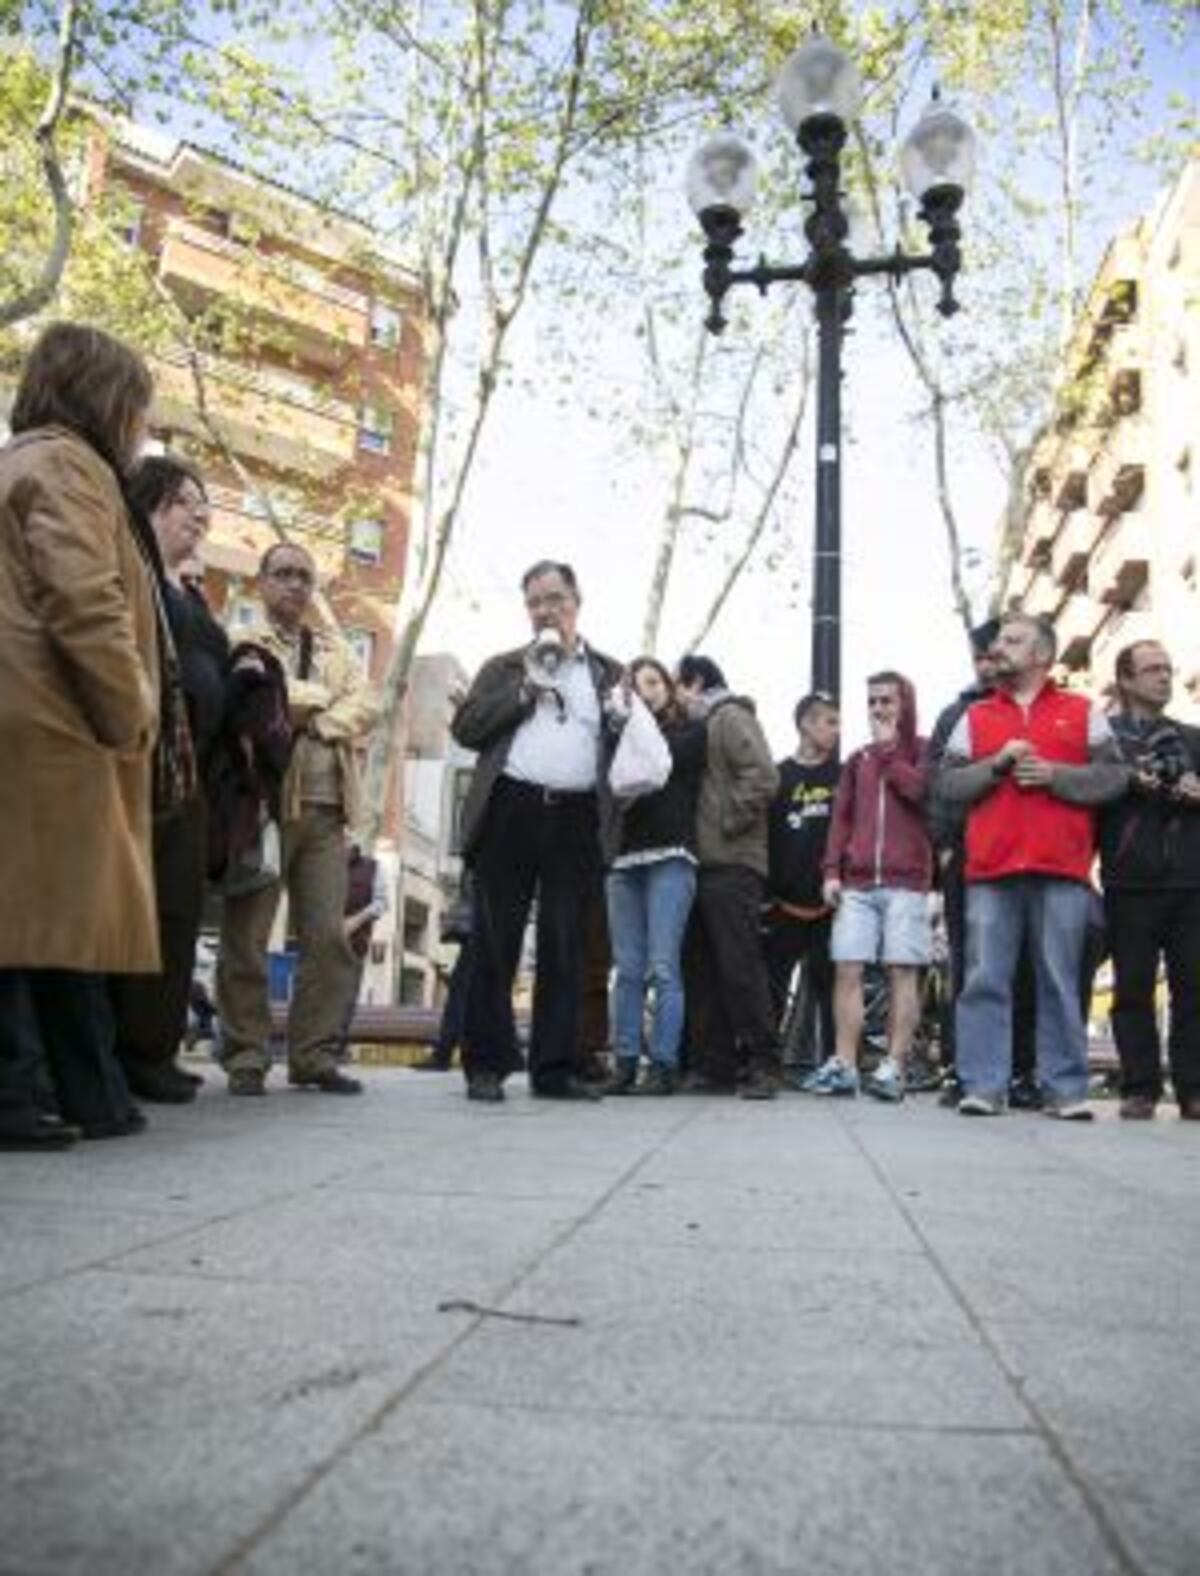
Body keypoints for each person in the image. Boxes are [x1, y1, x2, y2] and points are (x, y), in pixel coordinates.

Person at [0, 323, 161, 1149]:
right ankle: (16, 1096)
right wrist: (128, 705)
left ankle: (70, 1093)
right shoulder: (65, 464)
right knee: (33, 917)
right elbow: (82, 597)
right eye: (138, 410)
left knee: (39, 919)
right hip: (52, 718)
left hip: (35, 713)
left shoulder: (32, 459)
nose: (144, 429)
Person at [939, 613, 1129, 1119]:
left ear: (1043, 655)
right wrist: (995, 765)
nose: (999, 647)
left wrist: (1054, 776)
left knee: (1060, 980)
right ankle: (982, 1086)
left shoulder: (1083, 711)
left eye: (1013, 640)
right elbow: (948, 786)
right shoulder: (975, 718)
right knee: (984, 979)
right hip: (991, 869)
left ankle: (1065, 1091)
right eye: (999, 640)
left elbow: (1114, 778)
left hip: (1062, 868)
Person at [451, 560, 622, 1103]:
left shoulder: (607, 673)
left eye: (554, 598)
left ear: (577, 600)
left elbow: (629, 753)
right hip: (510, 808)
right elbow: (468, 728)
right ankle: (485, 1064)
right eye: (535, 602)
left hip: (577, 817)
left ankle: (554, 1068)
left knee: (566, 943)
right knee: (494, 940)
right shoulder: (504, 666)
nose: (545, 610)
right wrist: (524, 692)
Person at [216, 541, 380, 1096]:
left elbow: (367, 704)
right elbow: (267, 695)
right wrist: (316, 703)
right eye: (283, 574)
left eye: (304, 578)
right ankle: (246, 1056)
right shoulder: (242, 639)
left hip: (327, 812)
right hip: (262, 807)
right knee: (247, 936)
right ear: (261, 582)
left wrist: (320, 721)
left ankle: (313, 1056)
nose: (295, 585)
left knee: (328, 939)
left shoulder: (336, 649)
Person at [110, 457, 230, 1104]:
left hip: (189, 774)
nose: (202, 515)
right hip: (139, 765)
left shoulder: (183, 591)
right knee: (139, 911)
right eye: (189, 501)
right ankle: (125, 1052)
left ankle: (152, 1048)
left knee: (178, 914)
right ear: (154, 503)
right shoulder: (131, 571)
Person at [804, 671, 932, 1102]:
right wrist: (830, 871)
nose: (878, 709)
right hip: (857, 882)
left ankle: (893, 1065)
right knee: (847, 967)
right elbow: (840, 820)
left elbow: (919, 794)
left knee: (902, 970)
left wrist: (888, 756)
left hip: (907, 881)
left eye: (886, 701)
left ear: (905, 703)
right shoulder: (856, 761)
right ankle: (844, 1064)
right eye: (872, 702)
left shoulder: (923, 750)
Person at [1099, 640, 1200, 1120]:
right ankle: (1139, 1087)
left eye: (1168, 667)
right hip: (1129, 883)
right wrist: (1128, 779)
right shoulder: (1105, 740)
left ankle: (1193, 1090)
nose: (1164, 676)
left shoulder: (1193, 738)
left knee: (1193, 990)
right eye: (1152, 669)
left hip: (1190, 882)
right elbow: (1089, 796)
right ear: (1126, 679)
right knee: (1133, 989)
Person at [675, 654, 781, 1099]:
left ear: (696, 681)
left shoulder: (730, 716)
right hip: (701, 864)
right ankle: (713, 1066)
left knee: (739, 966)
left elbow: (763, 776)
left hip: (732, 862)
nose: (675, 698)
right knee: (701, 969)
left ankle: (764, 1062)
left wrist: (724, 826)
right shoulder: (700, 727)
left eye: (678, 686)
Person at [603, 658, 707, 1096]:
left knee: (663, 967)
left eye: (653, 682)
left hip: (671, 857)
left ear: (668, 688)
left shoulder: (689, 734)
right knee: (627, 970)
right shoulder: (616, 737)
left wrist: (636, 719)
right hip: (625, 862)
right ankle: (624, 1062)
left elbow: (661, 767)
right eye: (635, 684)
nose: (644, 690)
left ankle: (663, 1065)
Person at [765, 691, 840, 1074]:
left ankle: (834, 1063)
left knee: (832, 988)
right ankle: (765, 1063)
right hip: (783, 904)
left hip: (831, 904)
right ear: (806, 723)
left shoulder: (842, 776)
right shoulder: (777, 776)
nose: (834, 729)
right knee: (772, 987)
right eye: (828, 721)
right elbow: (764, 837)